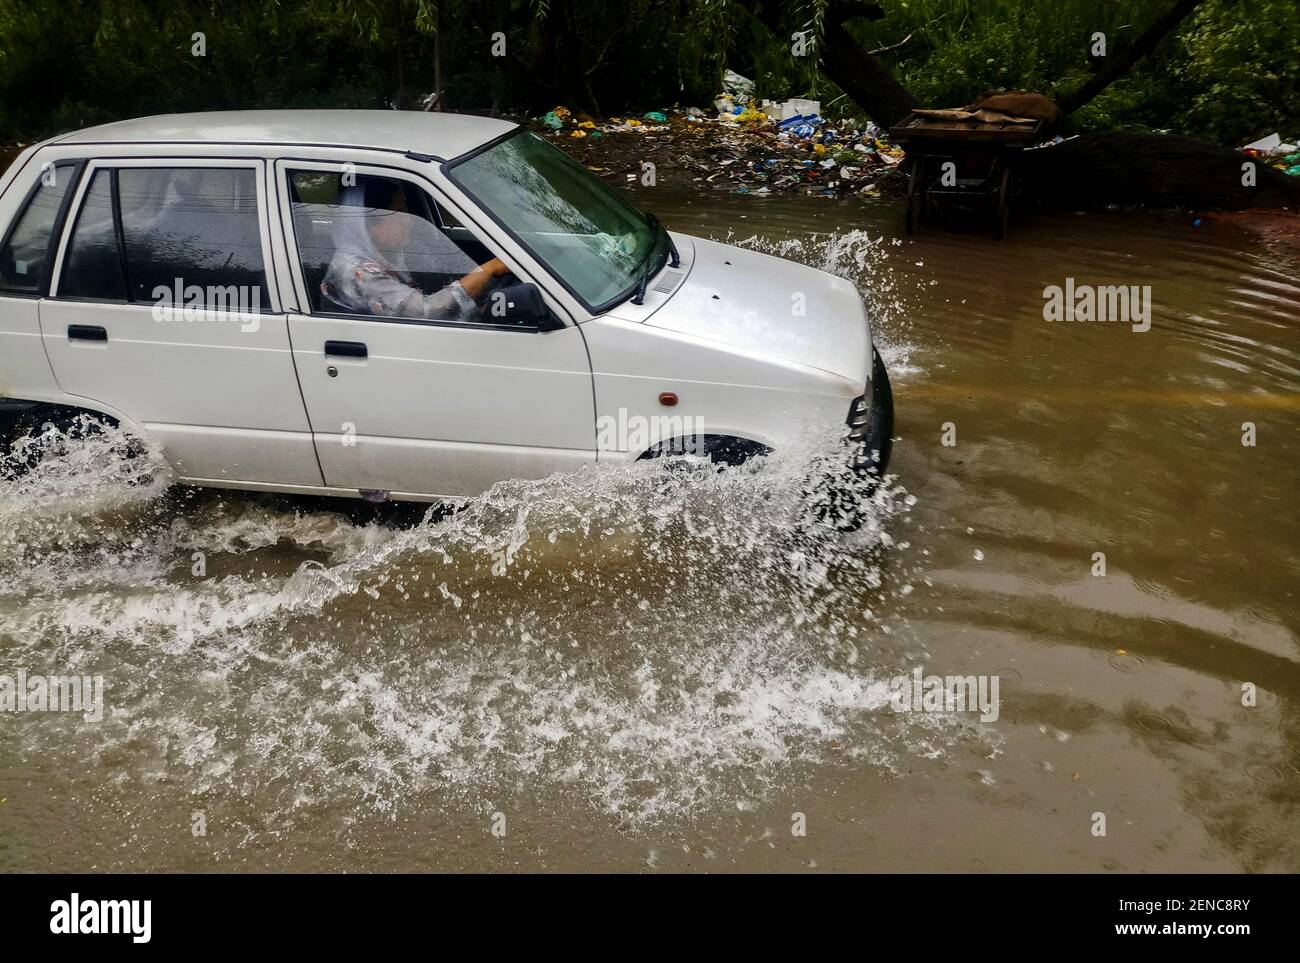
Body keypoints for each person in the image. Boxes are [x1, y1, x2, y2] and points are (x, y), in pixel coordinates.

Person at [321, 176, 510, 321]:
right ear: (369, 225)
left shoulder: (388, 256)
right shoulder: (358, 272)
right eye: (400, 213)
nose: (410, 220)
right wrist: (488, 269)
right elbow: (425, 312)